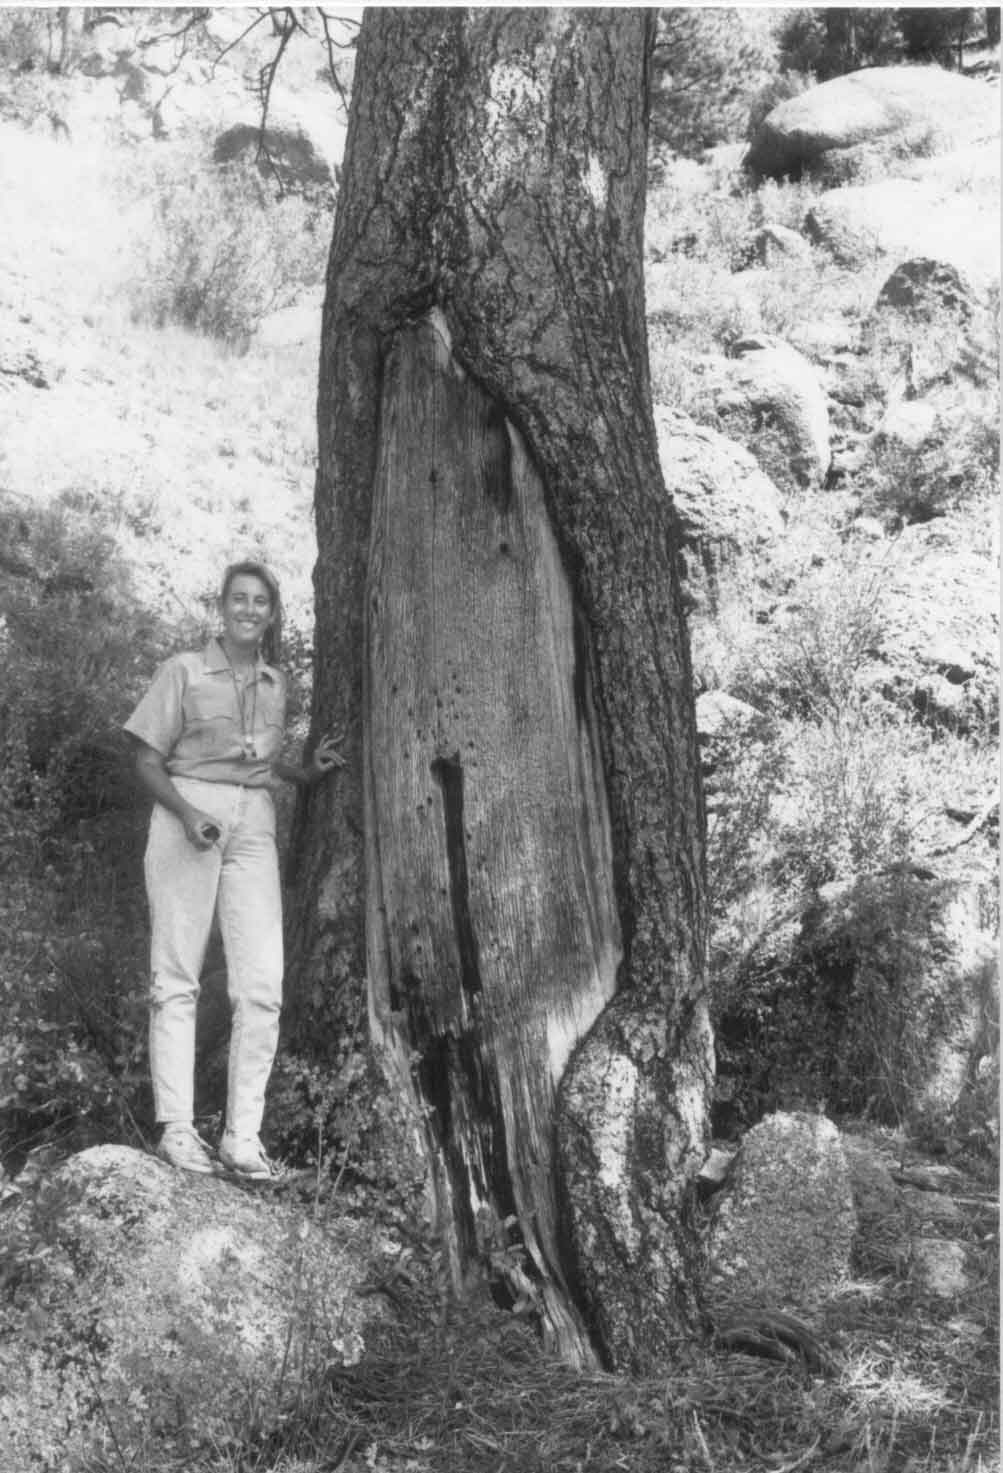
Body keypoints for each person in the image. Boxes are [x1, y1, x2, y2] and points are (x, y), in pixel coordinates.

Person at [123, 560, 343, 1180]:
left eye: (261, 601)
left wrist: (307, 773)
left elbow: (261, 765)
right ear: (222, 607)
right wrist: (188, 813)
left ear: (272, 614)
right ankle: (178, 1130)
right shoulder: (184, 671)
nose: (249, 609)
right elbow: (143, 758)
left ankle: (241, 1138)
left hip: (255, 825)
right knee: (177, 974)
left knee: (261, 986)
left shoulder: (275, 682)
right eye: (239, 599)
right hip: (186, 815)